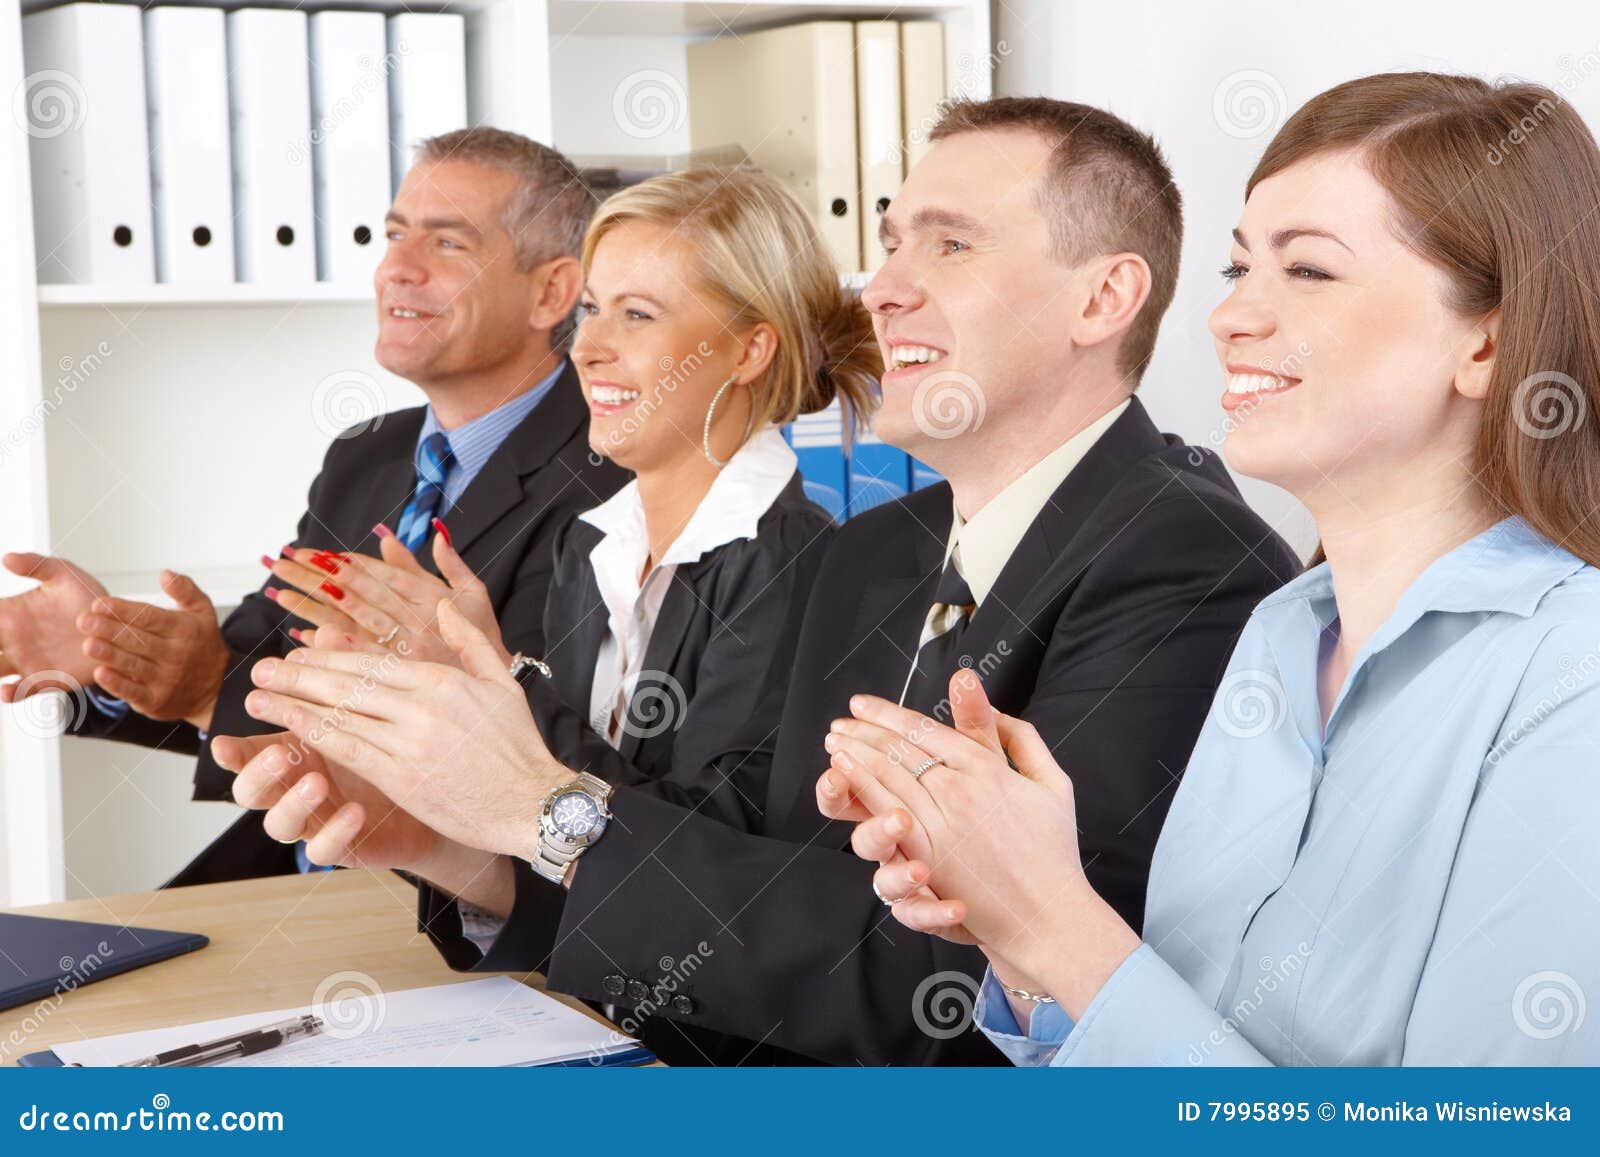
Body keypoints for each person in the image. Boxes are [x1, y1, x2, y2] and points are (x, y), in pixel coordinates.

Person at [226, 97, 1301, 1065]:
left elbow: (948, 994)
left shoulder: (1189, 564)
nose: (882, 288)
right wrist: (460, 839)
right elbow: (739, 881)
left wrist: (534, 803)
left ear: (1103, 297)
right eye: (888, 243)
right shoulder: (875, 551)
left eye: (950, 244)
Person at [825, 72, 1600, 1066]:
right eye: (1240, 271)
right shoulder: (1280, 634)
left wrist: (1063, 921)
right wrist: (1015, 929)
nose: (1229, 319)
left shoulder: (1569, 678)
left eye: (1309, 272)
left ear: (1487, 340)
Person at [221, 167, 878, 1065]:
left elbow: (698, 852)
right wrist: (429, 830)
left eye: (637, 317)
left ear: (747, 349)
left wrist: (499, 687)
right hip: (574, 1024)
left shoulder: (801, 565)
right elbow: (573, 867)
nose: (589, 349)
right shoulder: (592, 544)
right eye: (592, 312)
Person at [0, 127, 626, 884]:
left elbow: (512, 757)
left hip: (461, 912)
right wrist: (114, 658)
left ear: (552, 292)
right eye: (394, 234)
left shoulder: (610, 477)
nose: (395, 267)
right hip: (298, 877)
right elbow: (255, 668)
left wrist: (206, 690)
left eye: (447, 243)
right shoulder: (367, 453)